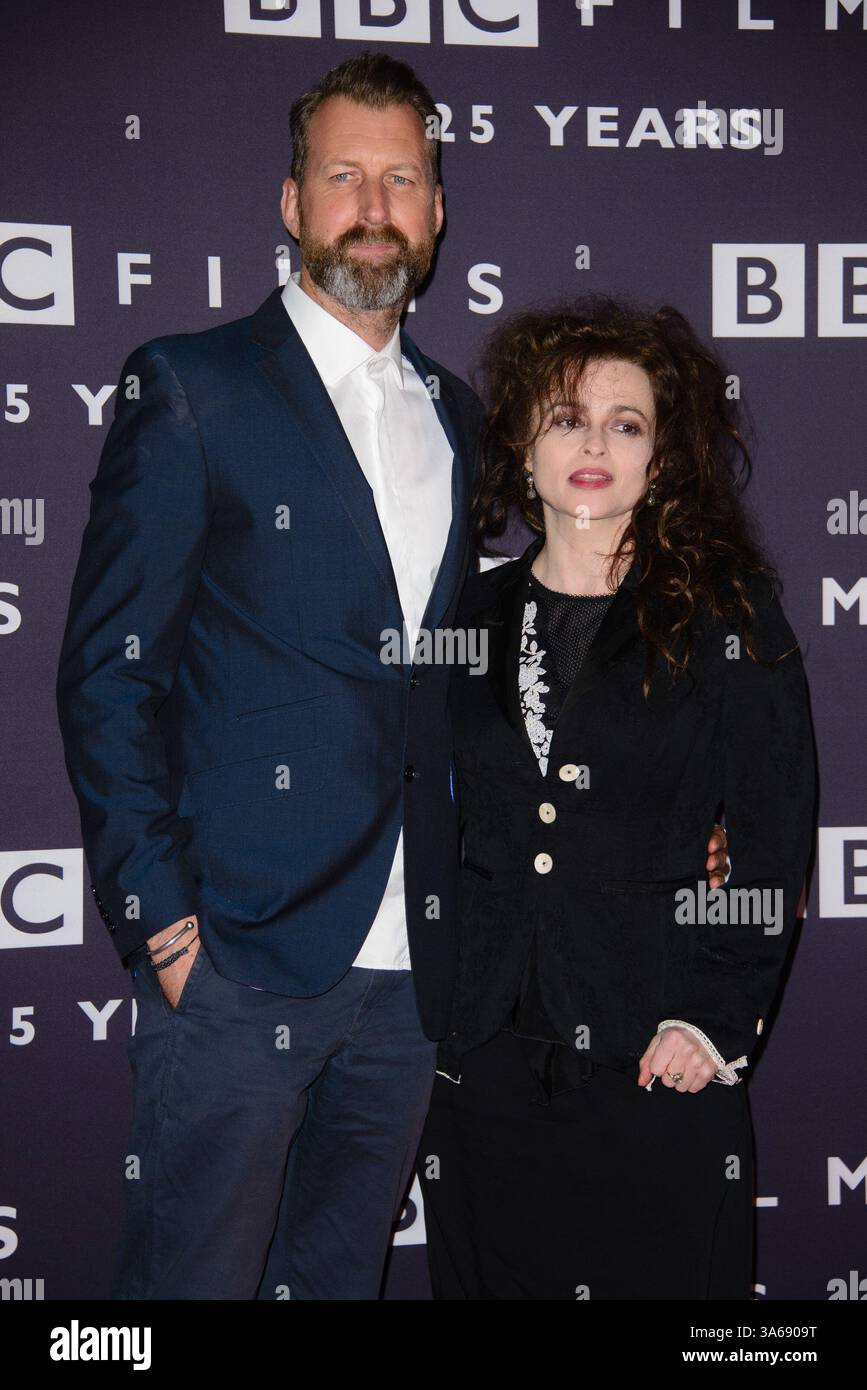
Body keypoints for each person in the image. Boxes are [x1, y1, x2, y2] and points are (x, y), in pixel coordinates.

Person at [55, 51, 728, 1301]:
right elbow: (107, 669)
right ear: (293, 201)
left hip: (418, 973)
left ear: (436, 212)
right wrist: (162, 921)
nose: (374, 203)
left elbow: (502, 653)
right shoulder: (195, 386)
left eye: (403, 178)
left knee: (340, 1280)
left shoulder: (467, 417)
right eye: (344, 175)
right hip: (240, 954)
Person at [418, 297, 817, 1300]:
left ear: (662, 456)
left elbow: (772, 843)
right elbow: (429, 817)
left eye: (625, 423)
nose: (594, 442)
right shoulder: (469, 611)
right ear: (522, 445)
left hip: (655, 1058)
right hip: (488, 1069)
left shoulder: (726, 610)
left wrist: (714, 1019)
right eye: (565, 417)